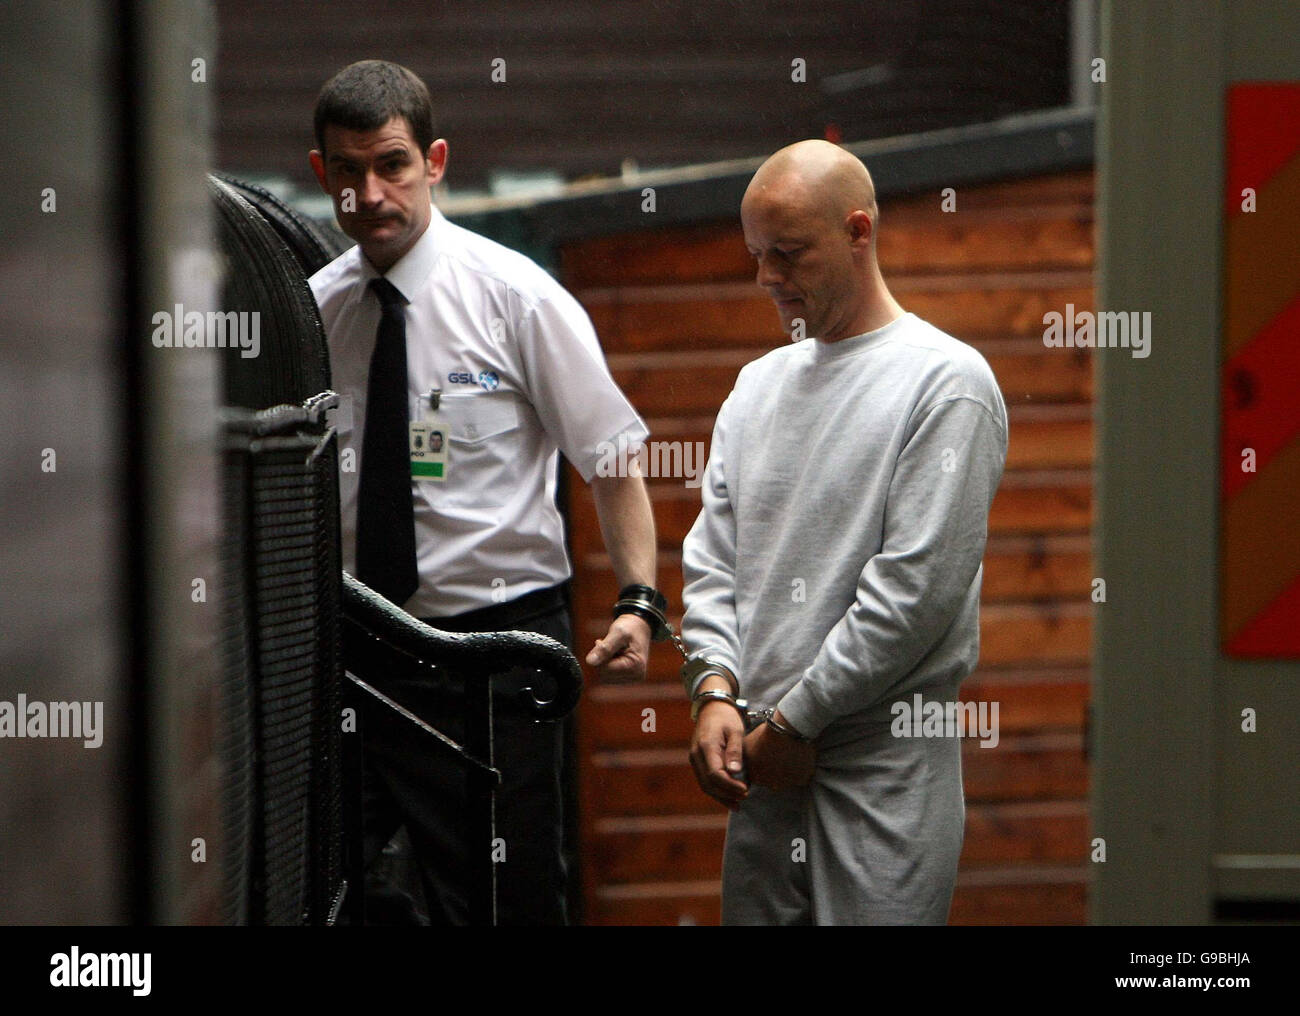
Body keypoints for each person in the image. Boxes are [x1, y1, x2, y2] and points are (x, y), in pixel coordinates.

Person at [307, 60, 662, 925]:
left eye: (391, 164)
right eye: (348, 173)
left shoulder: (517, 299)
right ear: (323, 177)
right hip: (355, 659)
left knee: (506, 906)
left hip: (492, 659)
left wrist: (639, 600)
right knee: (315, 892)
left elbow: (611, 462)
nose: (372, 193)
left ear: (434, 160)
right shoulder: (315, 313)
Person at [681, 140, 1008, 924]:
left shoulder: (945, 382)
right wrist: (713, 688)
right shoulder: (757, 388)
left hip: (879, 769)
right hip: (762, 761)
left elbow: (916, 589)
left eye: (788, 253)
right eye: (757, 255)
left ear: (859, 232)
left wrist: (802, 718)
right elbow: (713, 562)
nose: (767, 278)